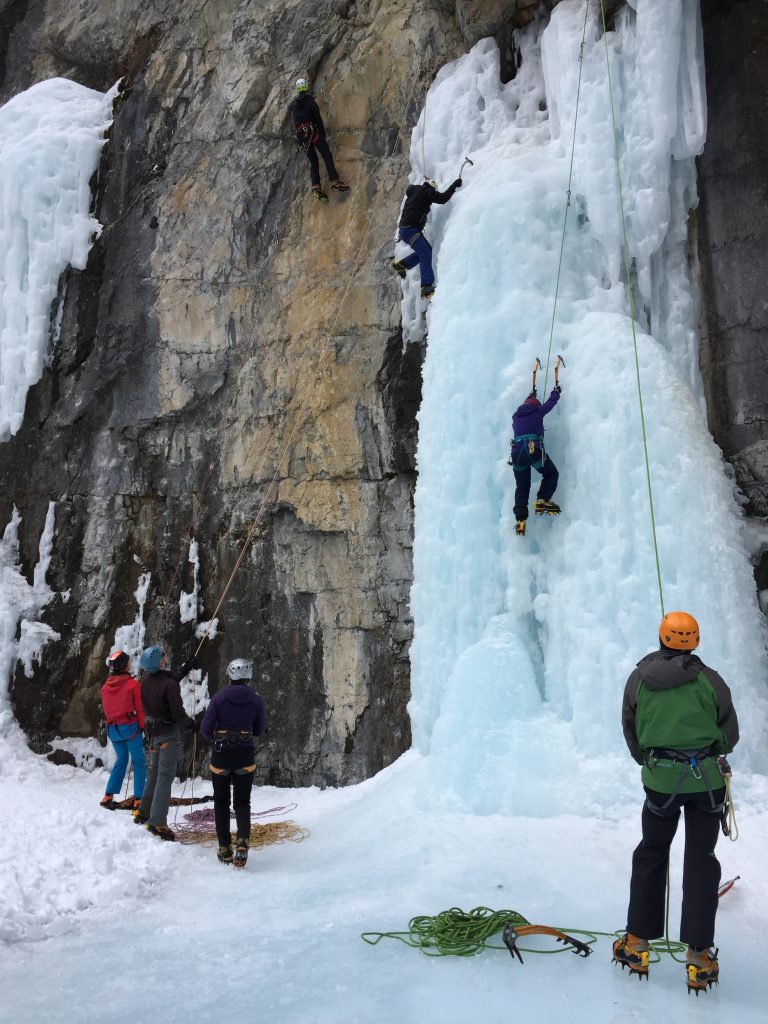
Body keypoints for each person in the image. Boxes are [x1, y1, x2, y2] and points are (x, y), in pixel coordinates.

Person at [613, 612, 739, 993]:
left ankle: (636, 944)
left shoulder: (639, 679)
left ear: (662, 638)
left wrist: (650, 761)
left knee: (652, 852)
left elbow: (631, 729)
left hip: (661, 782)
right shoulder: (710, 680)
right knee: (702, 858)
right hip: (707, 783)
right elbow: (729, 733)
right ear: (694, 641)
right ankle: (699, 958)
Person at [200, 658, 266, 868]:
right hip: (244, 755)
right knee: (242, 802)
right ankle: (243, 842)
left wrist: (217, 735)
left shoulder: (219, 699)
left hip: (222, 755)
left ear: (229, 675)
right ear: (248, 677)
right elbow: (259, 730)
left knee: (221, 802)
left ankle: (224, 849)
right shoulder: (256, 700)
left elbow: (205, 729)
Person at [134, 645, 198, 840]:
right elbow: (177, 713)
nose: (166, 655)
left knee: (154, 774)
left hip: (153, 735)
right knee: (164, 777)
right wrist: (193, 725)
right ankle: (158, 823)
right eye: (163, 655)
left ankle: (143, 813)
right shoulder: (169, 685)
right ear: (160, 663)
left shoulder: (145, 680)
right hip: (168, 735)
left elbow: (165, 685)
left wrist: (184, 670)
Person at [391, 177, 462, 298]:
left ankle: (402, 265)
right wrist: (454, 186)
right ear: (431, 188)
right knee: (425, 252)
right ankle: (426, 286)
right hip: (411, 229)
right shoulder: (426, 191)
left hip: (405, 230)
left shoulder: (414, 191)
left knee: (426, 250)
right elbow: (442, 198)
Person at [507, 385, 561, 536]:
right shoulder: (538, 412)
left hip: (517, 455)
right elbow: (550, 403)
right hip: (532, 451)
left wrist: (530, 397)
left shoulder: (515, 417)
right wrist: (556, 392)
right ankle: (542, 500)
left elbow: (527, 407)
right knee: (551, 474)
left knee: (522, 487)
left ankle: (520, 520)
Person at [290, 77, 349, 202]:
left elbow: (295, 122)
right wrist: (322, 135)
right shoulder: (311, 103)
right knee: (327, 155)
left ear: (297, 89)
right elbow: (318, 120)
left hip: (302, 137)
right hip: (313, 133)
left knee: (314, 162)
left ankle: (316, 186)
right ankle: (335, 182)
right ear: (306, 87)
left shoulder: (294, 106)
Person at [99, 650, 145, 810]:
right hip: (130, 728)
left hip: (113, 730)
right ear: (125, 665)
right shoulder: (133, 685)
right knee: (138, 762)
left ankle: (108, 796)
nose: (130, 663)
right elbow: (139, 710)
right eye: (128, 661)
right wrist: (142, 727)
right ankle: (139, 799)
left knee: (122, 759)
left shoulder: (105, 687)